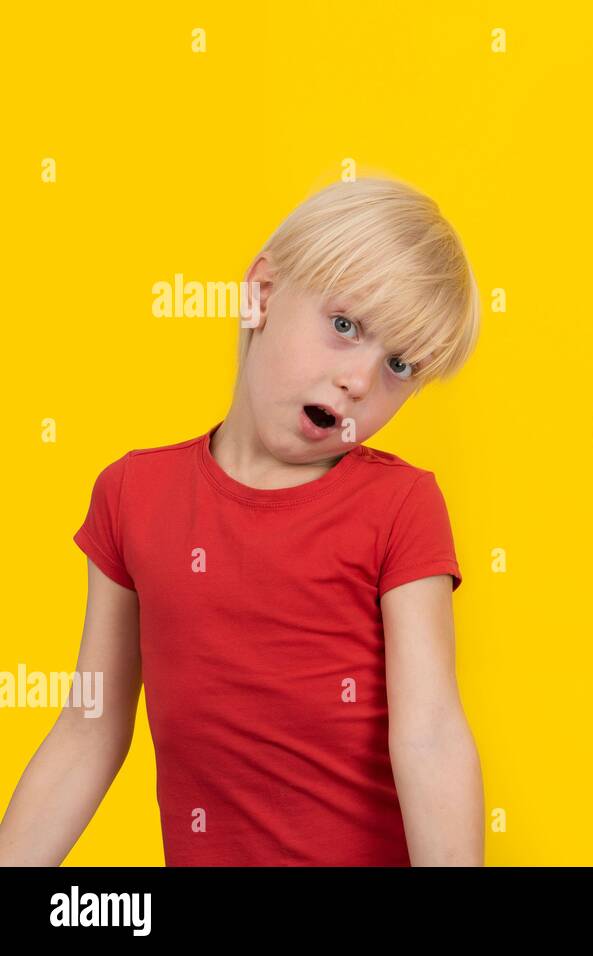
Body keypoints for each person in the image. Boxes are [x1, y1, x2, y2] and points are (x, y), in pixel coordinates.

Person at [0, 177, 484, 866]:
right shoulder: (132, 495)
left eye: (399, 366)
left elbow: (431, 734)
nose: (359, 381)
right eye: (345, 326)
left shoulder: (400, 507)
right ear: (260, 294)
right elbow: (89, 727)